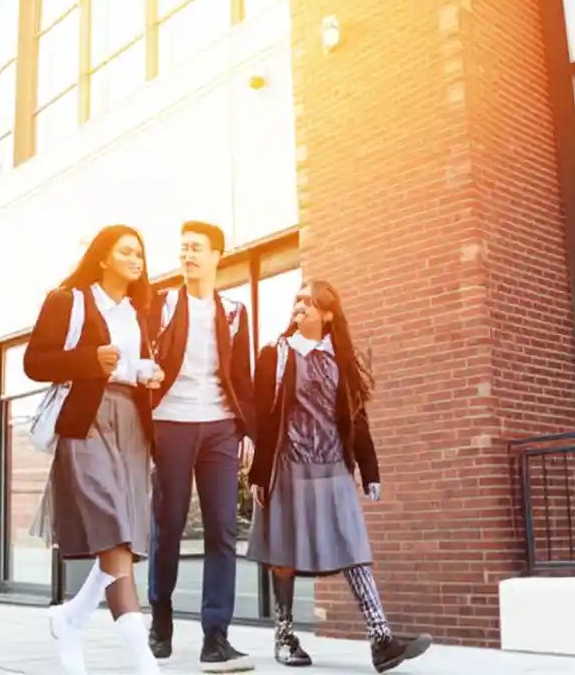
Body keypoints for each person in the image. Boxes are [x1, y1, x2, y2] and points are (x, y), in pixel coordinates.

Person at [246, 280, 431, 673]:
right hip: (288, 467)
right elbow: (263, 418)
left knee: (354, 548)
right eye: (296, 300)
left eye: (308, 301)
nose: (299, 306)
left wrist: (370, 471)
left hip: (333, 470)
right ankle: (284, 635)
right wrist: (259, 473)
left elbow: (356, 420)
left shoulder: (340, 359)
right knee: (284, 553)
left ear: (328, 313)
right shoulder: (275, 355)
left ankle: (381, 639)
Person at [25, 225, 165, 675]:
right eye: (126, 251)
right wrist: (90, 360)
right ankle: (145, 664)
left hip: (131, 427)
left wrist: (143, 370)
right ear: (103, 257)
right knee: (112, 531)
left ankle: (70, 619)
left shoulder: (137, 310)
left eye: (140, 253)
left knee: (122, 541)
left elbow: (126, 365)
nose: (136, 259)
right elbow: (34, 362)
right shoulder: (68, 300)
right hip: (87, 423)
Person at [146, 221, 255, 670]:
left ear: (216, 256)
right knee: (168, 526)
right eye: (183, 247)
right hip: (171, 421)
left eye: (197, 248)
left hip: (221, 427)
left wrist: (248, 430)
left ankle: (216, 635)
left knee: (223, 530)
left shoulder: (233, 310)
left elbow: (243, 377)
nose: (188, 254)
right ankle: (161, 618)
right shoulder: (163, 303)